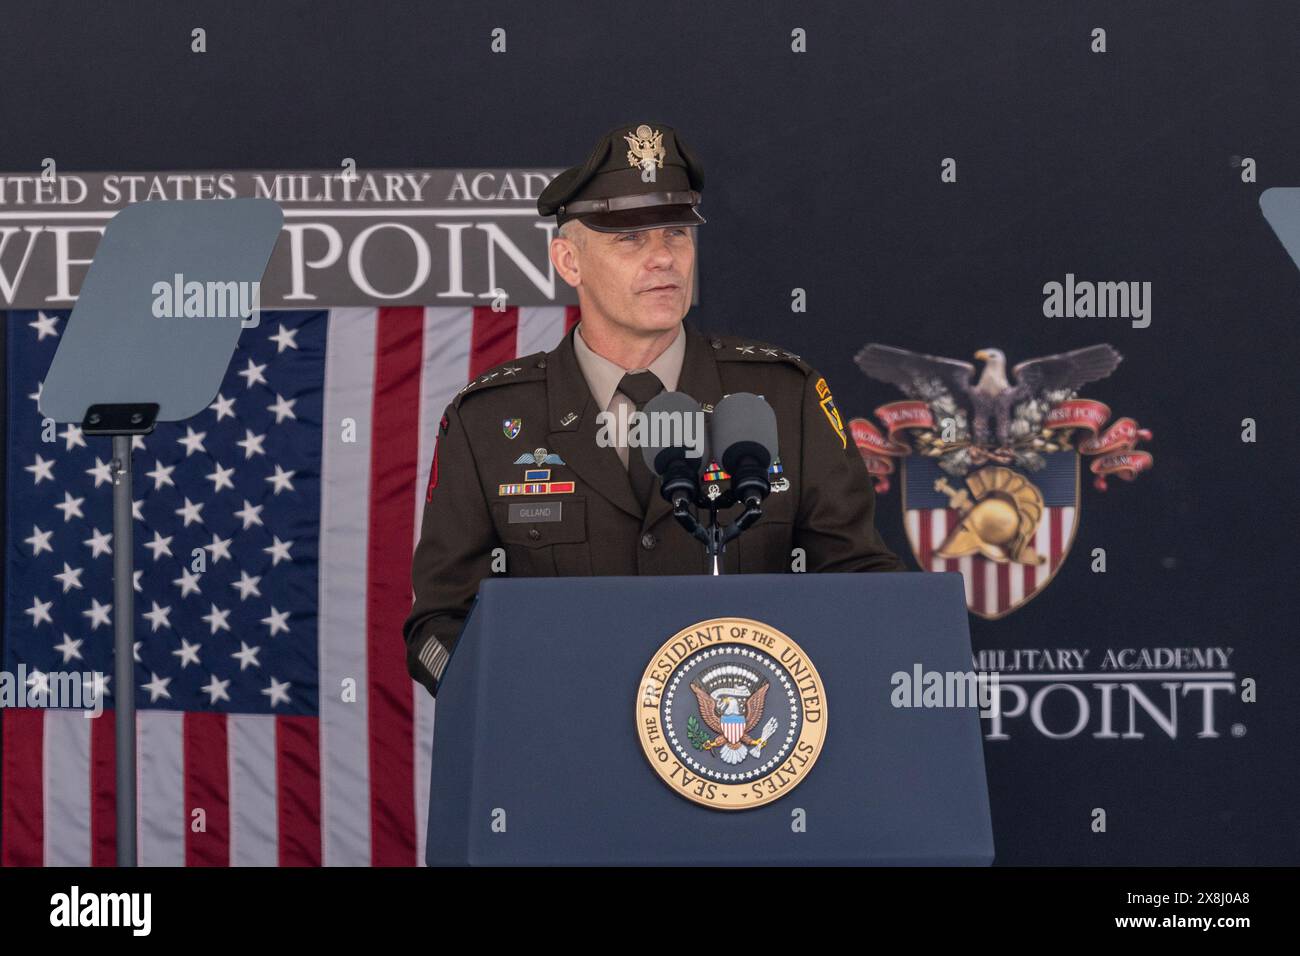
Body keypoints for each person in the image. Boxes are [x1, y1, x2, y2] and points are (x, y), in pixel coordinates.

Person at [403, 122, 905, 698]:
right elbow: (438, 625)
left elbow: (862, 586)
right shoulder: (488, 420)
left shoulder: (784, 397)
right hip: (563, 758)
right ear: (569, 262)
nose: (663, 258)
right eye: (629, 240)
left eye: (676, 233)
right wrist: (518, 704)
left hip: (743, 753)